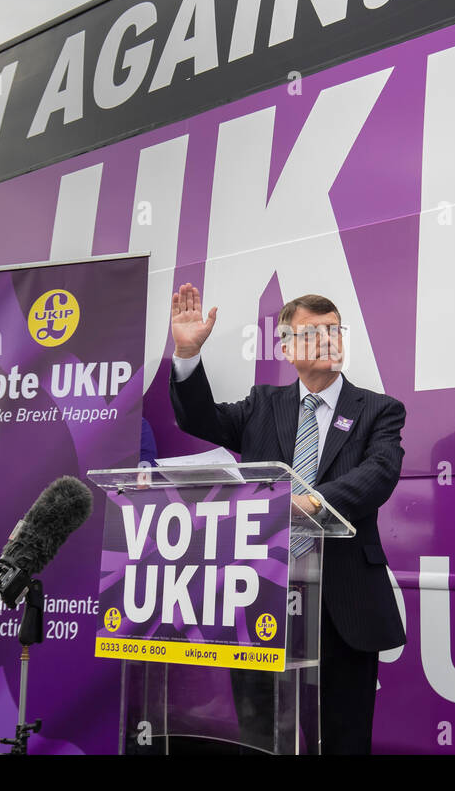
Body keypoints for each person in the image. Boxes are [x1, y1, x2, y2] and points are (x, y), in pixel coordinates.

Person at [167, 283, 406, 754]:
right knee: (262, 735)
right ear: (286, 347)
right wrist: (187, 354)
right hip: (261, 596)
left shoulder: (379, 410)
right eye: (314, 333)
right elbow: (200, 420)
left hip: (344, 602)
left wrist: (311, 502)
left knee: (344, 738)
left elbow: (380, 472)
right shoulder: (262, 405)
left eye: (334, 330)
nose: (328, 340)